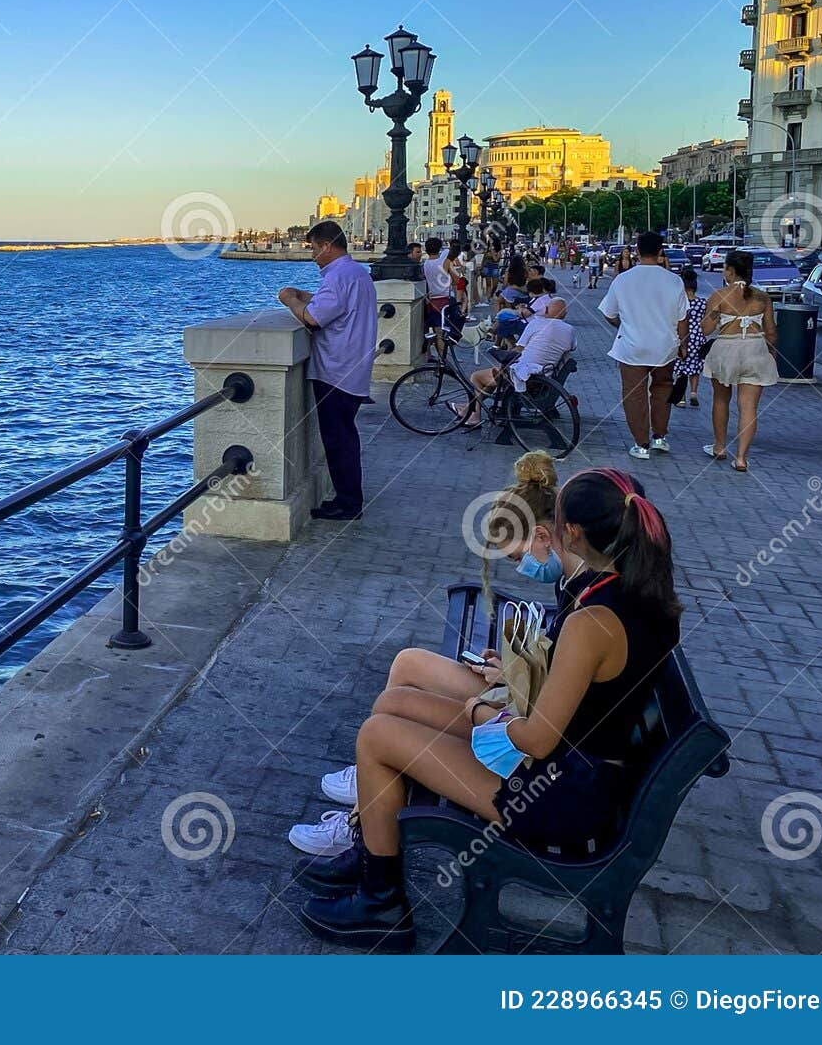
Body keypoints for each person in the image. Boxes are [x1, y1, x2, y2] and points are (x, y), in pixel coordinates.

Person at [297, 469, 681, 950]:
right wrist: (514, 678)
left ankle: (381, 904)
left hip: (558, 796)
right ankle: (372, 848)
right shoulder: (637, 593)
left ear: (574, 534)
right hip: (583, 772)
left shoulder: (594, 619)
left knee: (378, 736)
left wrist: (482, 711)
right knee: (395, 703)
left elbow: (539, 738)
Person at [287, 451, 566, 858]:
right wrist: (512, 670)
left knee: (381, 727)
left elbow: (544, 727)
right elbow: (557, 683)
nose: (521, 568)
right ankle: (372, 784)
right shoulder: (582, 589)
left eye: (518, 557)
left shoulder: (591, 612)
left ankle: (365, 819)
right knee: (407, 666)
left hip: (537, 769)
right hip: (529, 722)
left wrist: (481, 706)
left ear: (544, 535)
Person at [278, 222, 379, 520]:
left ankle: (348, 504)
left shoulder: (337, 276)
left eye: (312, 248)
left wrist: (289, 299)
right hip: (354, 368)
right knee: (344, 437)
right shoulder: (357, 273)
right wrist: (307, 294)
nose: (312, 255)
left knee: (339, 441)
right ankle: (347, 498)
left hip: (337, 371)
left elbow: (312, 318)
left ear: (325, 245)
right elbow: (335, 305)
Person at [598, 232, 686, 460]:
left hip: (631, 347)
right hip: (665, 347)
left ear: (636, 251)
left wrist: (623, 325)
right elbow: (682, 318)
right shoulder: (674, 280)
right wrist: (682, 344)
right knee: (662, 390)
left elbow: (609, 313)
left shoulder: (623, 279)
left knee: (634, 395)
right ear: (660, 251)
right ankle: (659, 436)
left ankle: (641, 444)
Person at [701, 249, 778, 473]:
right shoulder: (763, 298)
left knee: (720, 400)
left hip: (726, 348)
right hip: (755, 349)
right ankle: (742, 458)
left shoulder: (719, 296)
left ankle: (719, 446)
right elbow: (771, 331)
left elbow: (706, 329)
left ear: (730, 272)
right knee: (749, 407)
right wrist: (771, 352)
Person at [456, 298, 575, 428]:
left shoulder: (537, 324)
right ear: (565, 314)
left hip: (526, 380)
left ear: (546, 310)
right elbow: (571, 347)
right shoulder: (570, 330)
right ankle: (468, 407)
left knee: (477, 377)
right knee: (492, 378)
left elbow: (518, 349)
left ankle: (475, 416)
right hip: (545, 378)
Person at [671, 267, 708, 409]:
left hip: (682, 336)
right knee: (695, 366)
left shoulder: (680, 303)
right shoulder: (703, 303)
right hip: (698, 337)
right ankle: (693, 392)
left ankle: (681, 397)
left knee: (681, 367)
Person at [421, 237, 453, 356]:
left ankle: (435, 356)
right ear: (439, 249)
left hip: (432, 300)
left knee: (436, 331)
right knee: (442, 332)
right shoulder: (443, 261)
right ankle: (443, 358)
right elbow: (452, 250)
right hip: (444, 299)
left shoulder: (425, 265)